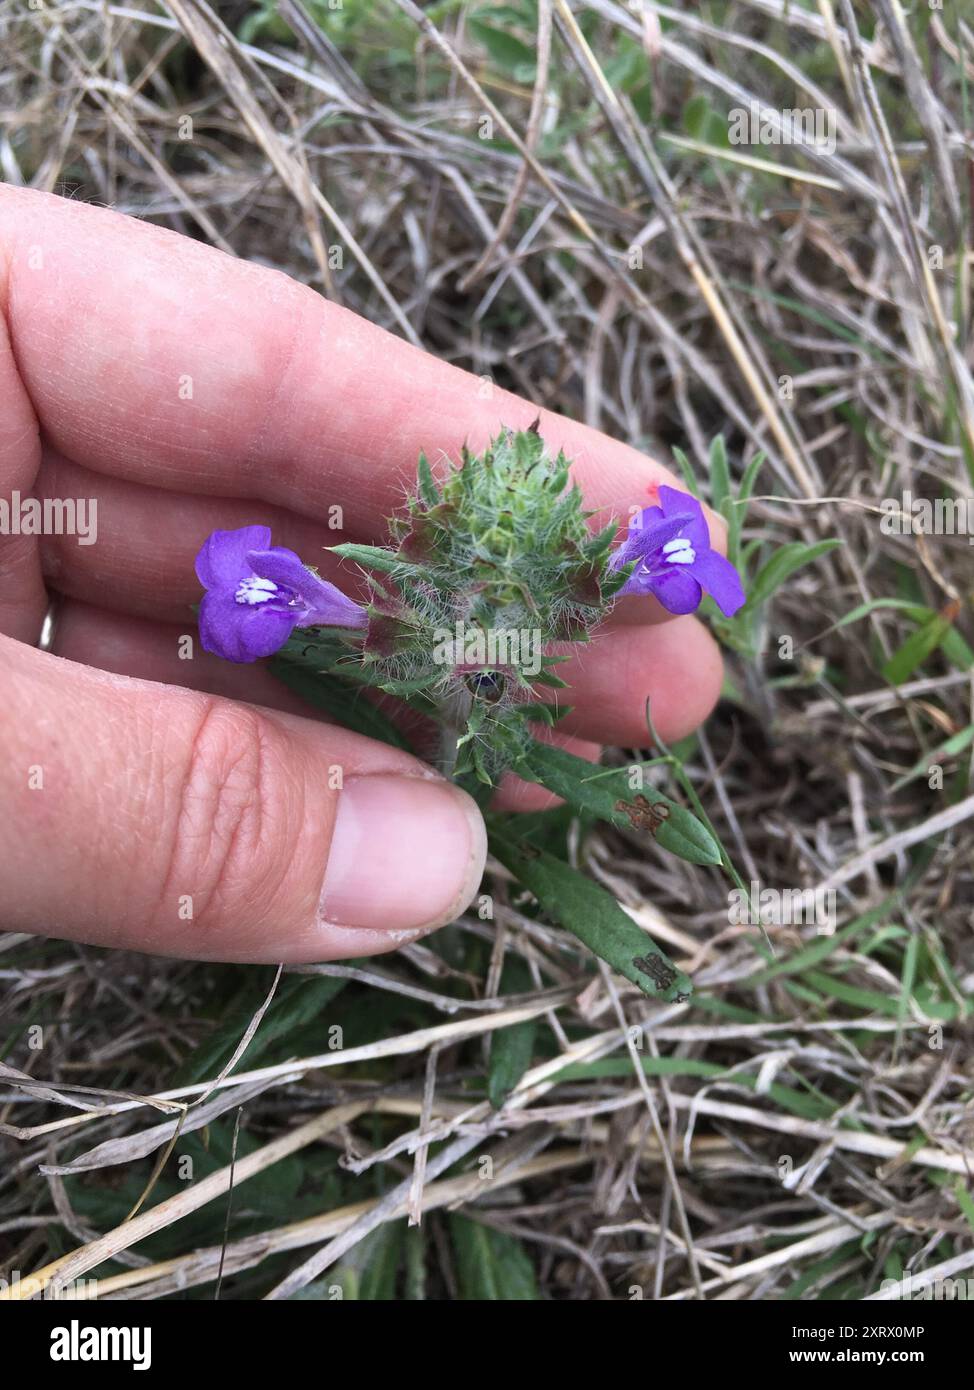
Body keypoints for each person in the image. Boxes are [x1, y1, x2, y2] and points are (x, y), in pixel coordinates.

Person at [0, 187, 726, 963]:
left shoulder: (561, 589)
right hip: (379, 647)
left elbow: (663, 561)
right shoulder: (391, 592)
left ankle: (470, 940)